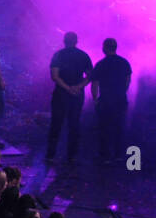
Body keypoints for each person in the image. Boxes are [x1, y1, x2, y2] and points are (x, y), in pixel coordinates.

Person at [47, 31, 93, 163]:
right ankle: (72, 156)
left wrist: (67, 88)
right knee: (74, 124)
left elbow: (54, 76)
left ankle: (50, 155)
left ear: (64, 41)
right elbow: (90, 76)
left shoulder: (58, 55)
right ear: (76, 41)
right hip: (77, 95)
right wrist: (78, 87)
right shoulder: (83, 56)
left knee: (56, 123)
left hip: (60, 94)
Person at [90, 38, 132, 166]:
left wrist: (95, 99)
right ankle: (118, 154)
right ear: (115, 47)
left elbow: (95, 83)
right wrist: (122, 91)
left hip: (105, 100)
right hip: (120, 99)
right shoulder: (124, 63)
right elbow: (128, 80)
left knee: (104, 127)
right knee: (119, 126)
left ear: (105, 48)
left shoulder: (100, 64)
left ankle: (105, 155)